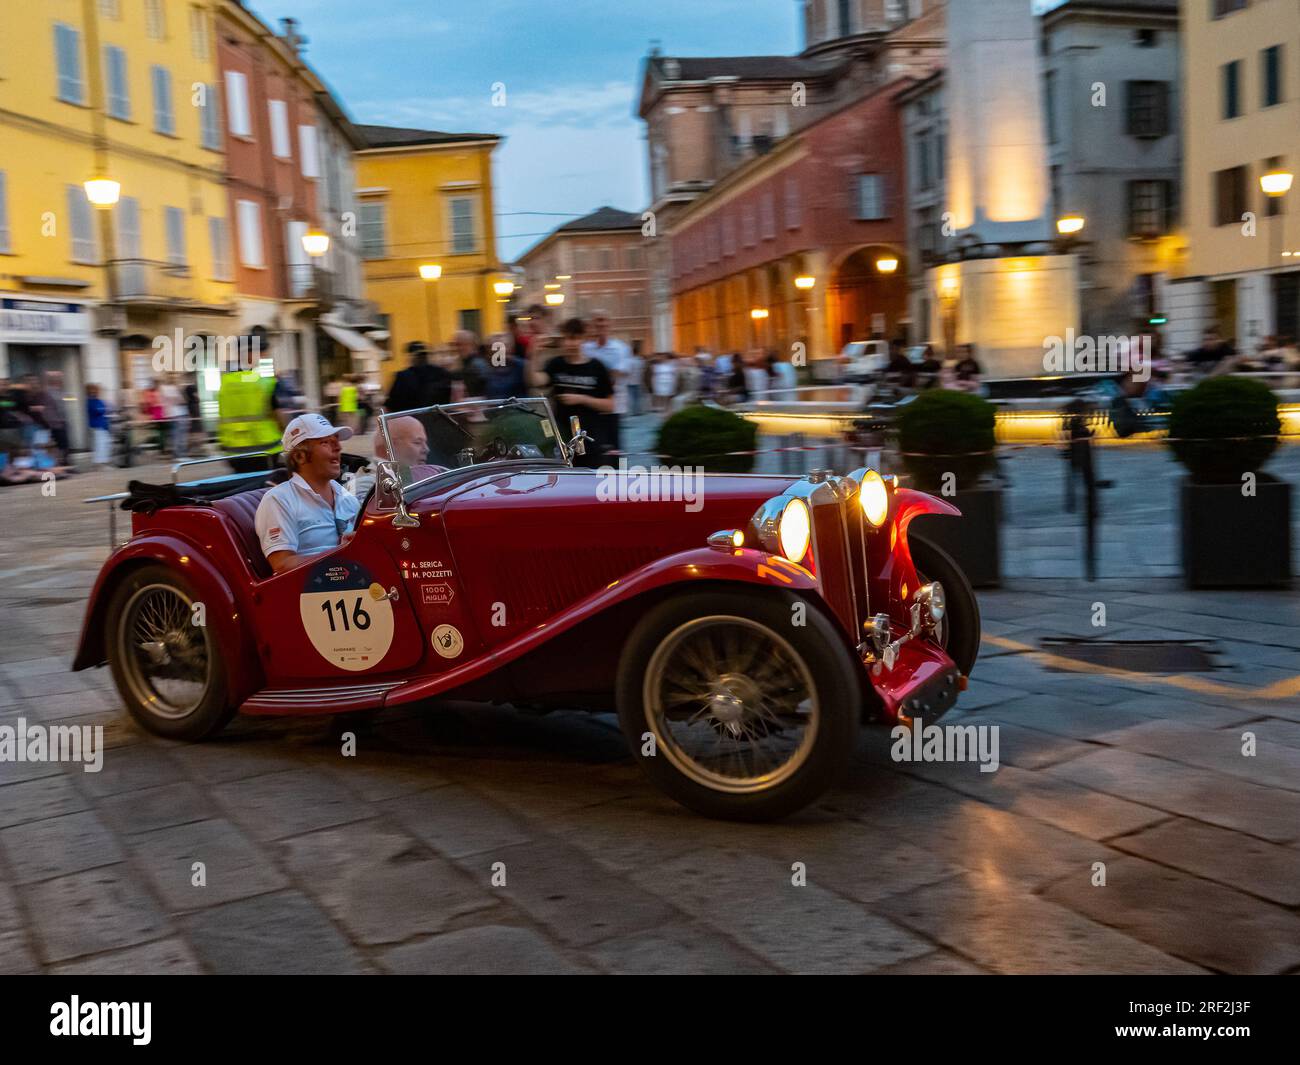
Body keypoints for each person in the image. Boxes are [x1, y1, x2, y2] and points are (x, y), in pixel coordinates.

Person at [254, 413, 360, 575]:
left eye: (336, 441)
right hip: (308, 593)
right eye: (326, 442)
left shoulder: (346, 496)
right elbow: (282, 564)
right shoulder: (278, 500)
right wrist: (341, 553)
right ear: (299, 456)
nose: (338, 447)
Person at [528, 317, 614, 465]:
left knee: (589, 478)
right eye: (567, 338)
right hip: (562, 436)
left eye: (575, 338)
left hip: (590, 437)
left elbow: (610, 405)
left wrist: (582, 399)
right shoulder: (556, 364)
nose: (571, 343)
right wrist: (533, 355)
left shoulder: (597, 367)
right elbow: (535, 380)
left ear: (583, 339)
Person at [349, 415, 438, 500]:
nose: (426, 449)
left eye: (425, 442)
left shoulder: (406, 474)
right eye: (417, 442)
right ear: (391, 445)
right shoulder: (367, 485)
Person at [581, 310, 633, 452]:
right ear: (592, 324)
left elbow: (616, 375)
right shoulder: (585, 348)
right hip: (591, 405)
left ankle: (617, 472)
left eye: (603, 320)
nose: (600, 324)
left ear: (610, 323)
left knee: (613, 446)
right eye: (597, 320)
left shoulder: (621, 348)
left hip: (613, 405)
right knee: (592, 444)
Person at [386, 341, 452, 413]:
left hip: (411, 420)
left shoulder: (402, 376)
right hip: (438, 418)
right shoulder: (441, 373)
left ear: (410, 357)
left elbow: (392, 405)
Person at [86, 384, 112, 468]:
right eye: (93, 391)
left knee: (105, 443)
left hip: (102, 425)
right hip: (97, 426)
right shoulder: (91, 401)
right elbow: (99, 410)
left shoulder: (97, 401)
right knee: (100, 444)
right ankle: (99, 462)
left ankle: (103, 461)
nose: (95, 392)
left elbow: (103, 410)